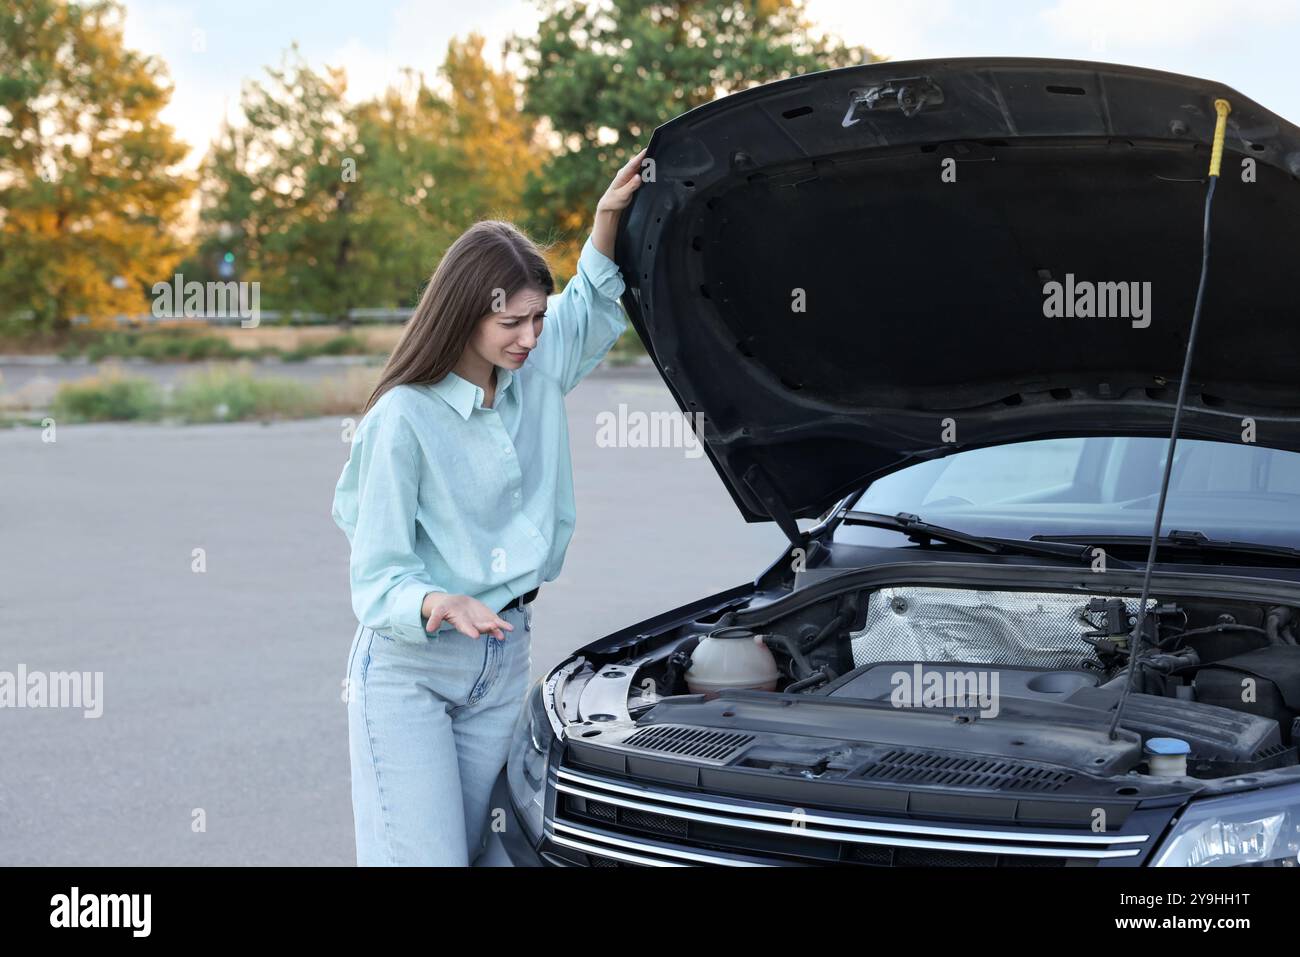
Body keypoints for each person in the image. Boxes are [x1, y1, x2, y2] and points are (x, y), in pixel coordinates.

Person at [331, 148, 646, 865]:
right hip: (414, 669)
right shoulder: (401, 420)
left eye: (538, 318)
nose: (531, 337)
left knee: (489, 853)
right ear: (466, 312)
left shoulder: (534, 372)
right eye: (513, 322)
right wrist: (438, 599)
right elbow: (376, 576)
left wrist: (605, 221)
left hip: (503, 658)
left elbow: (592, 300)